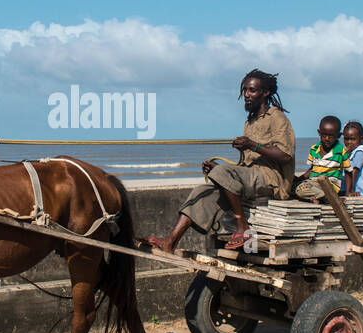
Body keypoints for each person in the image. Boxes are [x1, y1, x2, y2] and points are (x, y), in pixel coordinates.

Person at [147, 70, 296, 252]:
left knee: (223, 172)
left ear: (265, 93)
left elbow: (285, 155)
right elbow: (246, 167)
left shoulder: (277, 117)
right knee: (202, 191)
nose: (247, 95)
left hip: (272, 179)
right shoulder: (250, 122)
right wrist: (218, 169)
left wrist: (251, 144)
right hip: (252, 178)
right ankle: (170, 241)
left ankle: (243, 228)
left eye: (252, 91)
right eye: (245, 91)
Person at [294, 115, 347, 200]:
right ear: (319, 133)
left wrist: (349, 191)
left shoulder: (341, 151)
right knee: (291, 188)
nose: (327, 139)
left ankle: (328, 197)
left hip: (330, 186)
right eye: (324, 135)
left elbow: (348, 172)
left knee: (300, 190)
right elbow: (312, 169)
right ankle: (320, 198)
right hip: (314, 183)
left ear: (338, 135)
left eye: (331, 136)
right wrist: (299, 179)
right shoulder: (314, 149)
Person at [341, 121, 363, 196]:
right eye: (346, 139)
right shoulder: (350, 152)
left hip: (359, 192)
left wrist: (350, 191)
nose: (349, 142)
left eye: (353, 139)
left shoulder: (360, 152)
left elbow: (354, 172)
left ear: (361, 139)